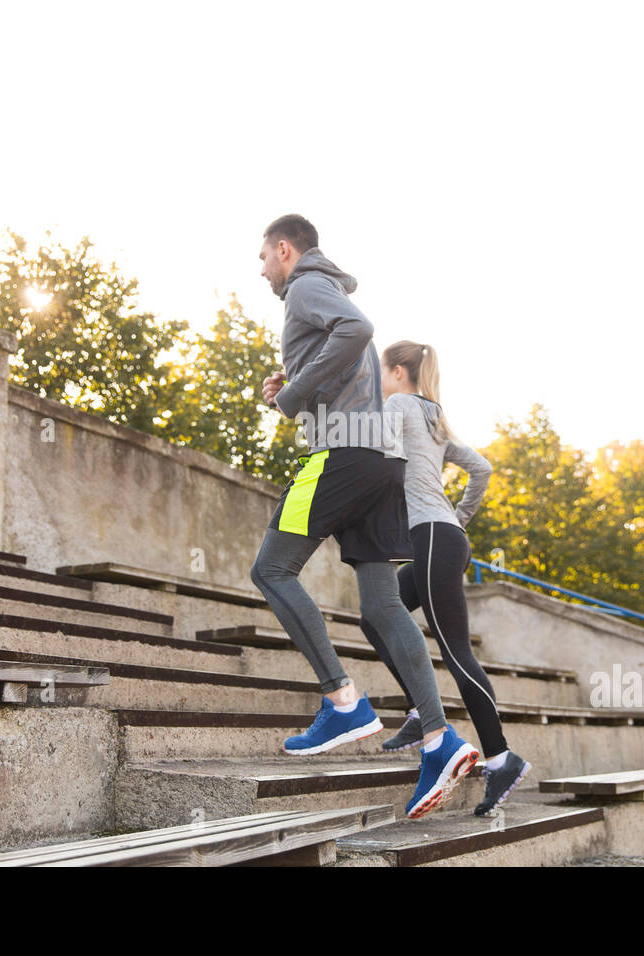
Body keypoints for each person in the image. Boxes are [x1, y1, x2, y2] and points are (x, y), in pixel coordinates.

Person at [250, 214, 476, 819]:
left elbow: (357, 329)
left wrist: (295, 396)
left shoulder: (303, 284)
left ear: (284, 248)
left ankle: (343, 701)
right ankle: (439, 739)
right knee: (380, 605)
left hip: (340, 456)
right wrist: (295, 380)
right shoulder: (319, 290)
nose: (262, 269)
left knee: (271, 569)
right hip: (380, 465)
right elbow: (346, 351)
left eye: (264, 257)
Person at [359, 340, 532, 816]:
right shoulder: (434, 417)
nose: (378, 378)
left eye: (380, 370)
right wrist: (460, 516)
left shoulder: (397, 404)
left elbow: (375, 452)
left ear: (397, 372)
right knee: (376, 616)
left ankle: (500, 758)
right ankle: (420, 711)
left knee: (456, 652)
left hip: (435, 538)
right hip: (439, 536)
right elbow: (481, 468)